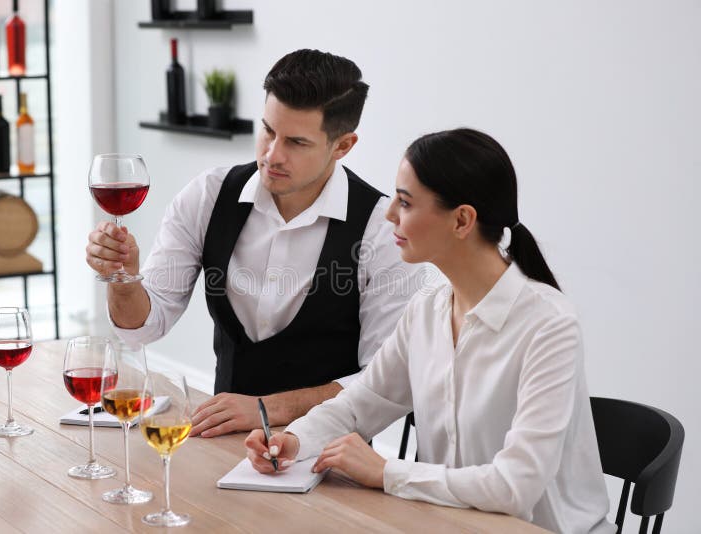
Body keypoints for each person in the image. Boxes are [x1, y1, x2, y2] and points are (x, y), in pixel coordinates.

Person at [244, 129, 615, 534]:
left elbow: (515, 486)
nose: (389, 214)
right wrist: (294, 440)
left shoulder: (549, 326)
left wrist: (387, 472)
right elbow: (359, 405)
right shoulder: (426, 310)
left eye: (405, 202)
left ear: (462, 220)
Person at [86, 49, 425, 438]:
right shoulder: (208, 196)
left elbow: (385, 384)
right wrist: (123, 279)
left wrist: (267, 409)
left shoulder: (383, 230)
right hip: (222, 442)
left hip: (329, 454)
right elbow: (142, 329)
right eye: (268, 130)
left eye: (296, 142)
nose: (272, 155)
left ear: (343, 145)